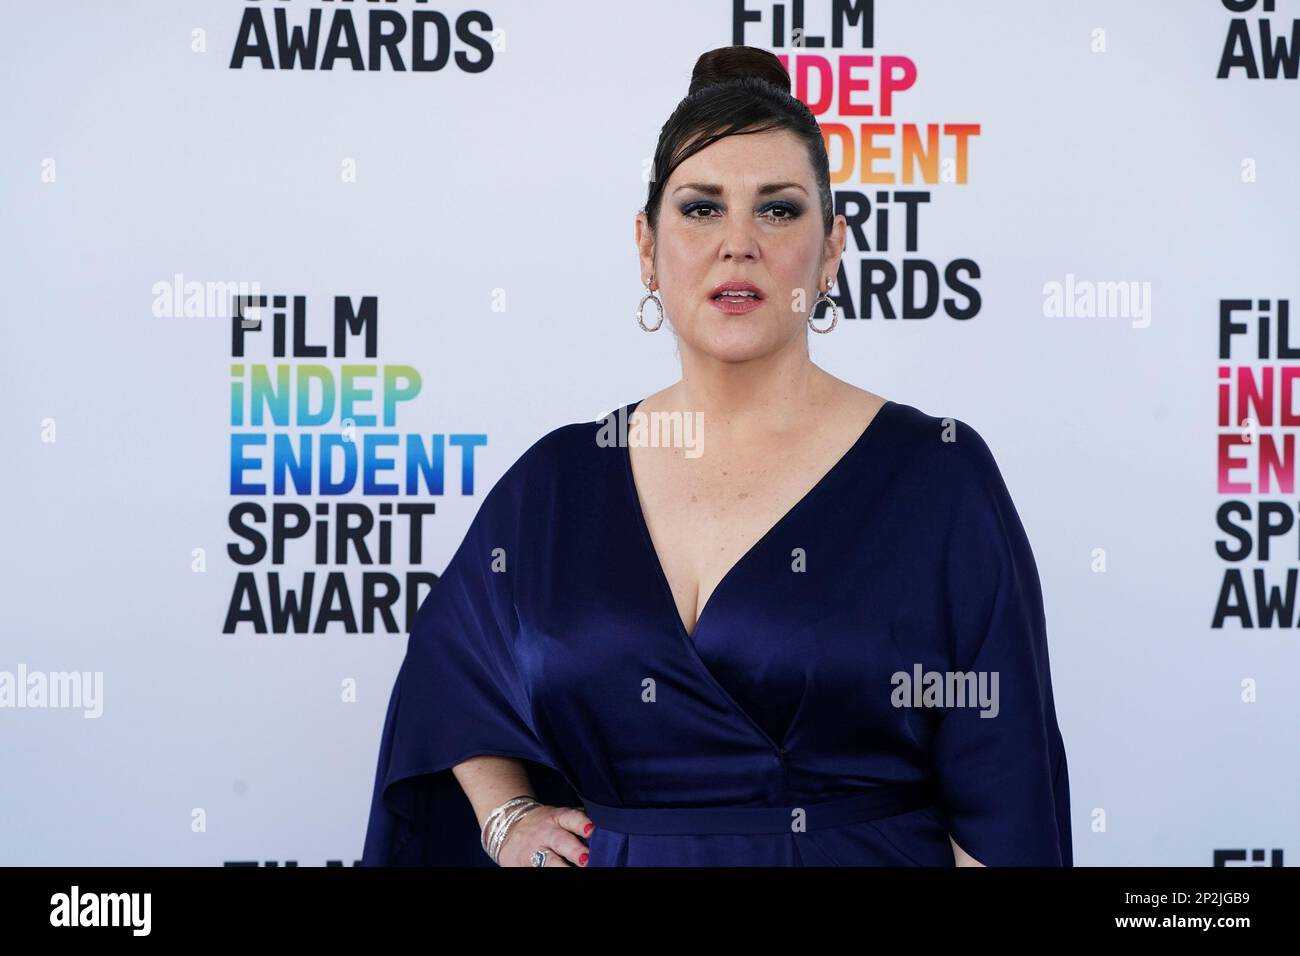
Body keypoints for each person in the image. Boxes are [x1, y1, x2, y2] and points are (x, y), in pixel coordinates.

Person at [361, 45, 1071, 867]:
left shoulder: (939, 478)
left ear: (832, 249)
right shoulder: (558, 482)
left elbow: (1008, 801)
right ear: (646, 248)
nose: (739, 243)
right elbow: (446, 671)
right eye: (701, 209)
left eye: (778, 210)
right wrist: (505, 815)